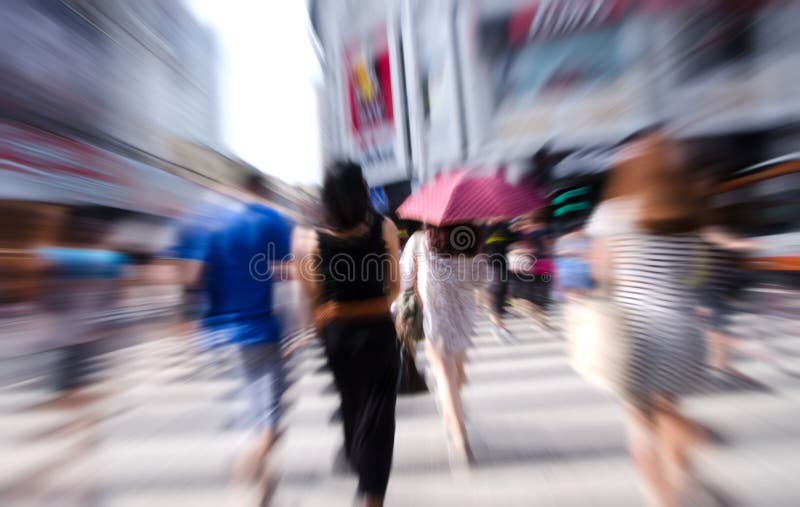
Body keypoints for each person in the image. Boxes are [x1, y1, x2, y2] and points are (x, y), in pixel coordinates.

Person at [586, 128, 716, 506]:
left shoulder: (614, 213)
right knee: (669, 411)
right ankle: (685, 481)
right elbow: (696, 271)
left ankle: (665, 499)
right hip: (684, 331)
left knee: (641, 428)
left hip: (637, 334)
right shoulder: (687, 213)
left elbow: (601, 274)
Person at [293, 161, 400, 507]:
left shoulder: (310, 238)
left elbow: (313, 295)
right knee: (380, 413)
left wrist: (324, 325)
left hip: (337, 334)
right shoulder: (384, 228)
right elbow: (395, 285)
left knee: (351, 402)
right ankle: (373, 494)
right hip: (378, 328)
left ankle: (357, 460)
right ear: (363, 189)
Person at [200, 176, 292, 487]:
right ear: (263, 191)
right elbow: (285, 273)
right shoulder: (271, 221)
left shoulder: (219, 226)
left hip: (231, 331)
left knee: (255, 406)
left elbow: (203, 278)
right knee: (271, 418)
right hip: (265, 328)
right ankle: (250, 462)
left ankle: (264, 484)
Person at [401, 221, 483, 465]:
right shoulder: (470, 239)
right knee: (456, 374)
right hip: (464, 318)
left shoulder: (419, 241)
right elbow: (481, 280)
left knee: (446, 377)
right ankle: (454, 416)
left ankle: (459, 436)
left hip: (435, 318)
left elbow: (405, 279)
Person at [480, 219, 517, 343]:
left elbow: (513, 241)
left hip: (504, 264)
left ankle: (496, 324)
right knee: (494, 292)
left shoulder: (505, 225)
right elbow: (479, 246)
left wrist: (515, 232)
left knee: (502, 293)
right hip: (490, 264)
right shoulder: (483, 227)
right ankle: (500, 326)